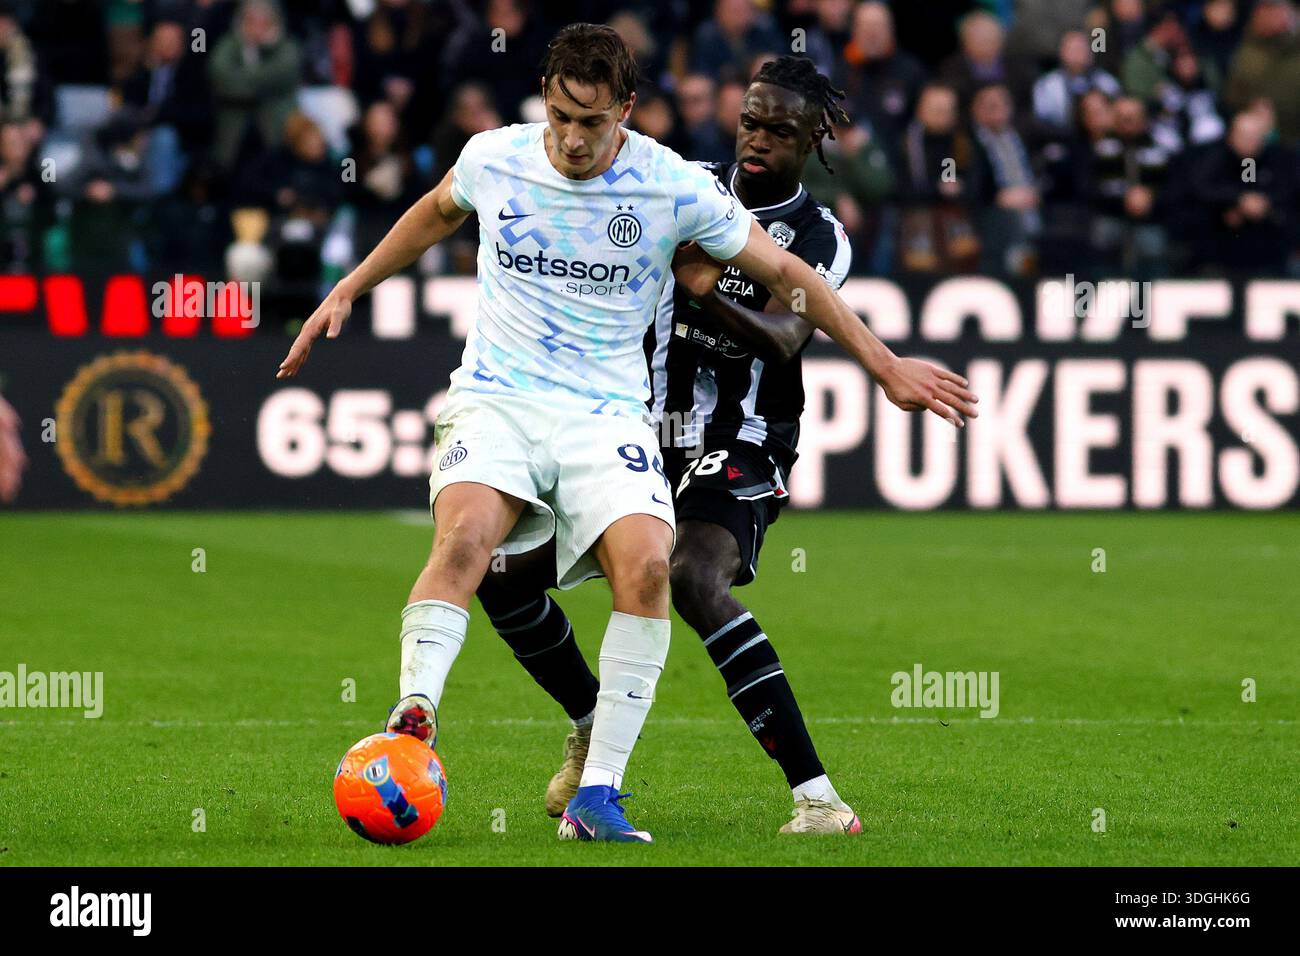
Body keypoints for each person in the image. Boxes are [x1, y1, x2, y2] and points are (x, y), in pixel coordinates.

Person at [277, 25, 976, 844]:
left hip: (702, 428)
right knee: (487, 561)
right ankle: (501, 722)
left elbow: (791, 307)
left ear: (627, 112)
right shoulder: (520, 160)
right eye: (562, 116)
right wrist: (347, 289)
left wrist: (882, 364)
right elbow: (435, 212)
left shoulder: (714, 200)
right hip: (578, 412)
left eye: (593, 122)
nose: (574, 139)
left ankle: (765, 794)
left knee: (675, 573)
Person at [477, 55, 907, 835]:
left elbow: (785, 338)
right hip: (637, 437)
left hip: (742, 439)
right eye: (751, 121)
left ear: (814, 140)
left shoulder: (819, 236)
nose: (759, 140)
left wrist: (708, 289)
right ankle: (589, 721)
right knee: (500, 576)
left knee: (690, 576)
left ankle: (817, 799)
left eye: (781, 130)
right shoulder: (681, 184)